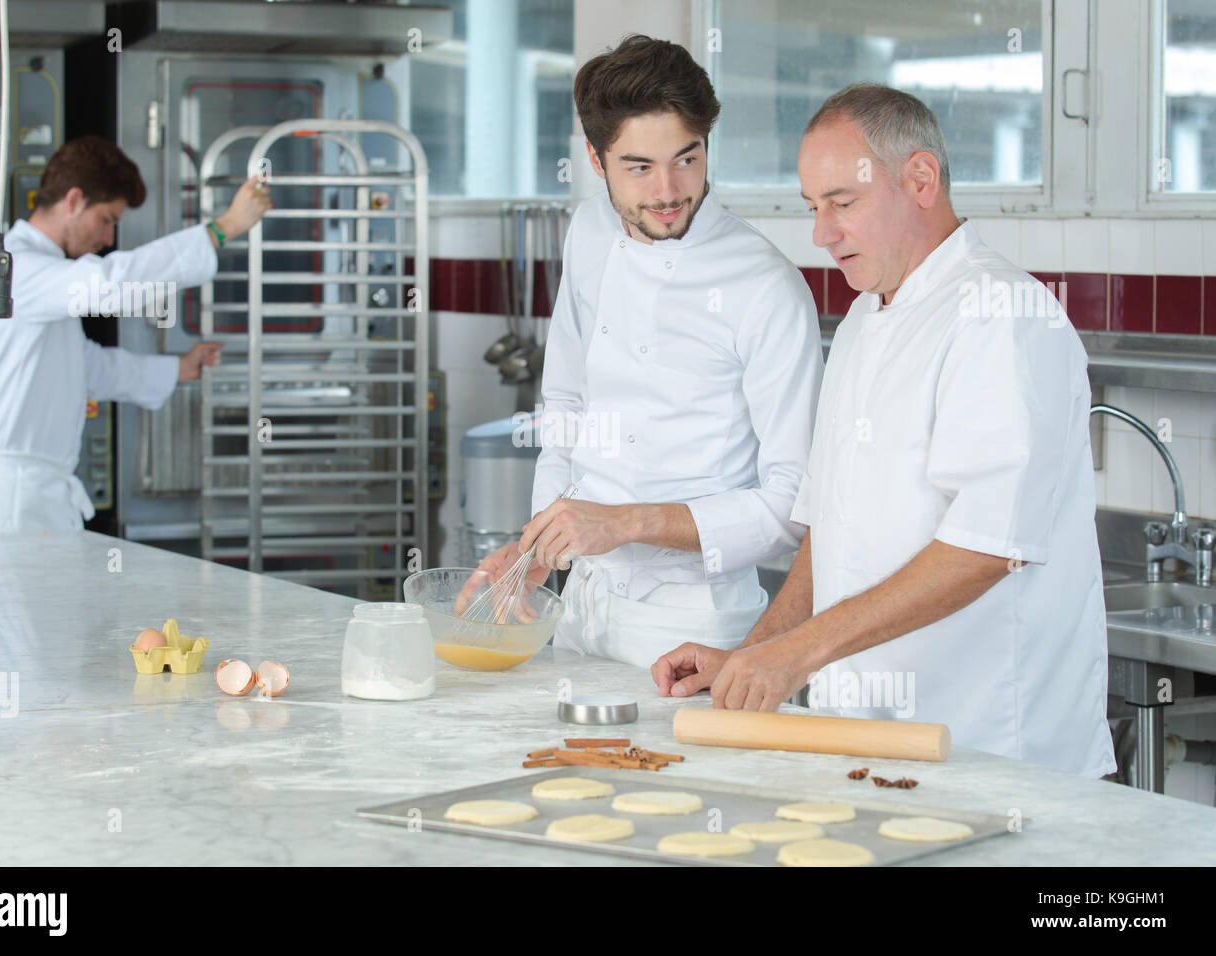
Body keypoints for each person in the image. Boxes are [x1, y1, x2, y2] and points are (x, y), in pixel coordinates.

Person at [652, 83, 1115, 778]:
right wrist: (752, 655)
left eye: (843, 202)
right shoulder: (867, 319)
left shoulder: (1005, 317)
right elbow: (829, 529)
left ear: (920, 179)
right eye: (813, 208)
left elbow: (986, 549)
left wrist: (801, 653)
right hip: (863, 746)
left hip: (993, 751)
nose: (821, 233)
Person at [460, 35, 823, 668]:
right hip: (584, 603)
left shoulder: (764, 284)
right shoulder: (590, 230)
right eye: (639, 167)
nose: (668, 190)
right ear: (597, 162)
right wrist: (537, 549)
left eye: (688, 158)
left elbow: (794, 505)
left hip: (693, 620)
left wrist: (625, 523)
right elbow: (568, 400)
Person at [0, 135, 271, 535]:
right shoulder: (17, 268)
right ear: (73, 200)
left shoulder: (42, 277)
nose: (107, 239)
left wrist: (177, 369)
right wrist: (222, 228)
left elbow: (86, 368)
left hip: (25, 499)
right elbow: (110, 284)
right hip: (5, 507)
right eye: (108, 220)